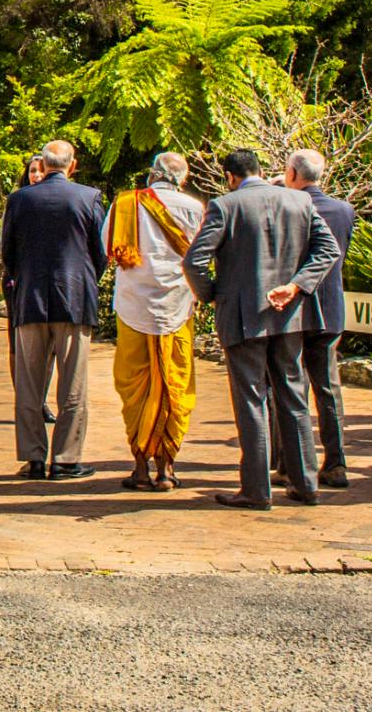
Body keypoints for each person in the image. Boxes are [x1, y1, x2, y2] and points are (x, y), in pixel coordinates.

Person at [182, 148, 341, 510]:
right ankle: (306, 483)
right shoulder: (298, 201)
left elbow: (194, 261)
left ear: (230, 176)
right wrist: (297, 284)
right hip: (290, 314)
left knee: (251, 399)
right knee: (294, 395)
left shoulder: (225, 205)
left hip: (243, 316)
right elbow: (328, 250)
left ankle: (256, 488)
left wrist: (212, 296)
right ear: (260, 169)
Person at [0, 139, 108, 480]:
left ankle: (32, 457)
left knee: (29, 384)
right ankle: (66, 457)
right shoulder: (88, 197)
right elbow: (99, 252)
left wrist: (23, 277)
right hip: (74, 300)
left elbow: (8, 252)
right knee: (73, 385)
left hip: (30, 299)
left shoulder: (19, 200)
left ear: (43, 167)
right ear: (72, 165)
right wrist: (87, 280)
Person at [107, 152, 206, 491]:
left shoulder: (125, 204)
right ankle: (167, 468)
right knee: (174, 384)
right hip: (178, 306)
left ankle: (139, 466)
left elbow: (110, 248)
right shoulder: (195, 207)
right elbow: (202, 255)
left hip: (134, 306)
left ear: (152, 175)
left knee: (134, 386)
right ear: (182, 179)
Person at [281, 149, 359, 488]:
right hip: (329, 307)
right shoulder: (344, 210)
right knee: (328, 388)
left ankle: (293, 463)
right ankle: (336, 460)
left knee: (291, 386)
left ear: (294, 175)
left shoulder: (287, 208)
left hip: (294, 308)